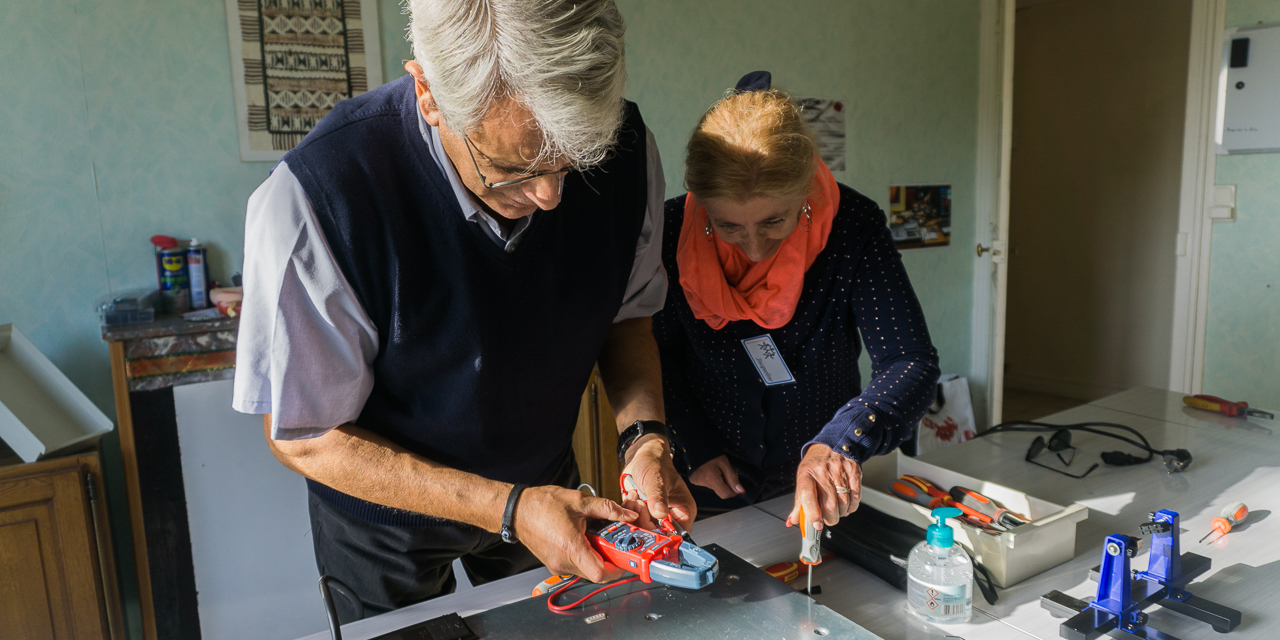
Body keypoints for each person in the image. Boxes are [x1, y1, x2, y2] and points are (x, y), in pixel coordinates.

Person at [232, 0, 694, 620]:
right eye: (511, 170)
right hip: (385, 518)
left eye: (571, 163)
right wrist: (506, 506)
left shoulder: (627, 149)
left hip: (545, 480)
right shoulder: (317, 200)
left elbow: (627, 313)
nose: (550, 198)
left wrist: (645, 439)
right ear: (428, 92)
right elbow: (308, 437)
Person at [652, 73, 940, 534]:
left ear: (805, 194)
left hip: (823, 481)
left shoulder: (852, 224)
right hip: (708, 480)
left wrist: (841, 442)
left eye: (773, 221)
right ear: (702, 204)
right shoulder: (669, 233)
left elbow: (911, 360)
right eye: (728, 226)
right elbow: (655, 354)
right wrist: (694, 444)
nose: (755, 248)